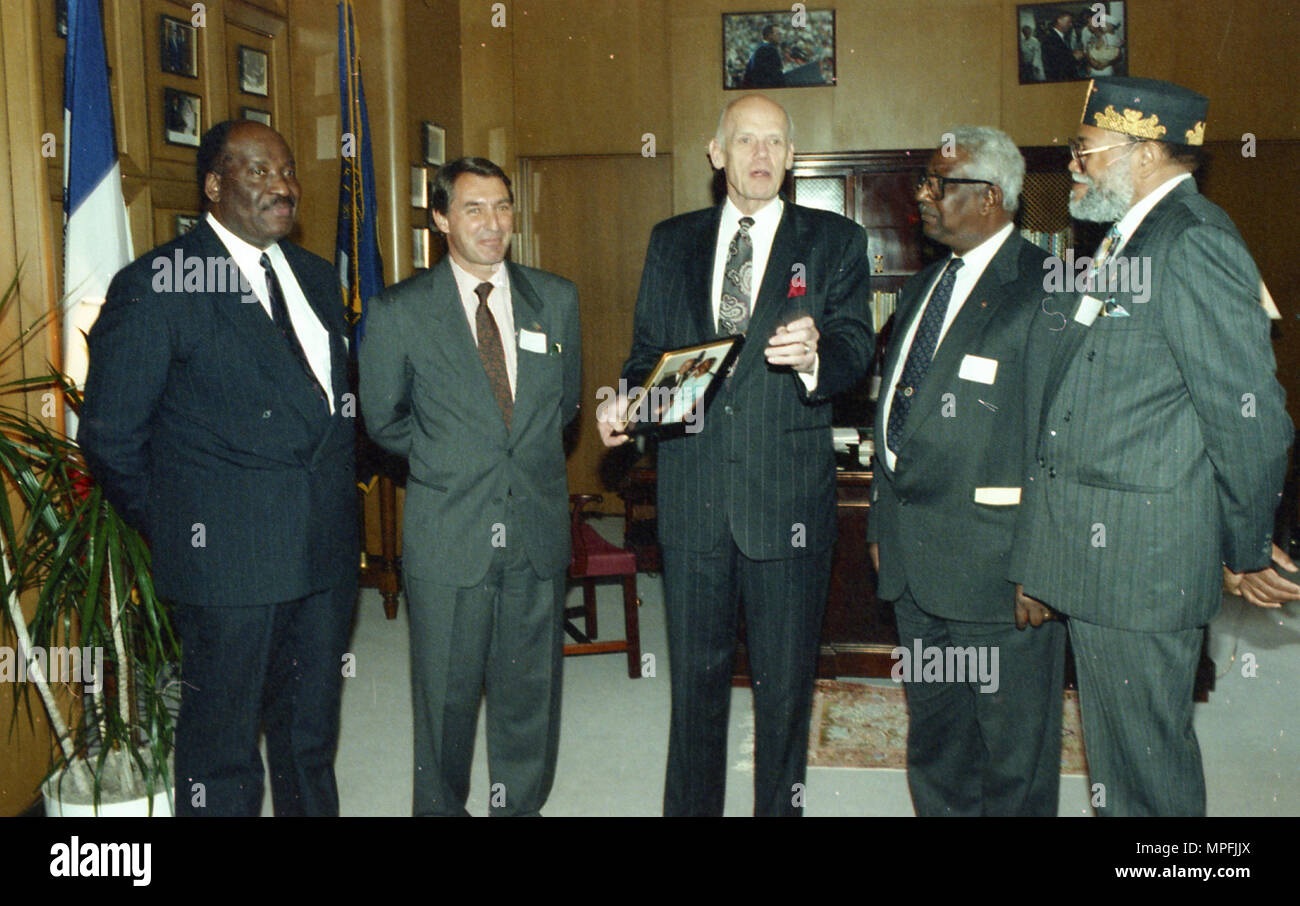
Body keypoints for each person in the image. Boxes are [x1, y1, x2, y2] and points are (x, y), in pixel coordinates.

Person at [1011, 77, 1294, 816]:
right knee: (1121, 766)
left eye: (1083, 150)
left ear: (1140, 152)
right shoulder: (1125, 237)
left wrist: (1247, 546)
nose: (1072, 166)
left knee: (1145, 776)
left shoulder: (1193, 242)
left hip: (1143, 565)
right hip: (1105, 560)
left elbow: (1249, 415)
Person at [598, 94, 872, 816]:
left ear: (791, 157)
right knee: (695, 690)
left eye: (774, 142)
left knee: (785, 693)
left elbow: (854, 348)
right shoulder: (671, 240)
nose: (760, 154)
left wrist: (816, 358)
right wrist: (626, 405)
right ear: (715, 153)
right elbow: (646, 360)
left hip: (786, 505)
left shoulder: (836, 241)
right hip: (692, 502)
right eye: (745, 140)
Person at [79, 120, 358, 816]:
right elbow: (110, 437)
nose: (282, 186)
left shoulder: (318, 278)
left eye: (287, 171)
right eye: (259, 172)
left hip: (322, 554)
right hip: (227, 566)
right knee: (222, 753)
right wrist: (188, 527)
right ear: (213, 185)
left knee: (309, 740)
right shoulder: (159, 282)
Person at [359, 157, 581, 817]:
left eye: (503, 207)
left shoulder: (556, 298)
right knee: (445, 705)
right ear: (439, 218)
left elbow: (564, 408)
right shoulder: (399, 310)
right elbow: (381, 418)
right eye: (473, 209)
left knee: (528, 696)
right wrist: (450, 459)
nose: (493, 224)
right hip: (450, 533)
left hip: (535, 531)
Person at [867, 127, 1065, 816]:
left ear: (987, 197)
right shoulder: (925, 286)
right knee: (939, 749)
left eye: (936, 184)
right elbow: (894, 418)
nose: (921, 197)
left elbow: (1059, 443)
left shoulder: (1046, 287)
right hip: (916, 574)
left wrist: (1044, 565)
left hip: (1000, 576)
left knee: (1016, 760)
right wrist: (882, 522)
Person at [1040, 12, 1081, 81]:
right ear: (1059, 20)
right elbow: (1056, 63)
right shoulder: (1050, 39)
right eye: (1068, 22)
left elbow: (1062, 54)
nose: (1070, 25)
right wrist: (1074, 57)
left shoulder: (1061, 37)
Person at [742, 24, 785, 88]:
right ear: (770, 35)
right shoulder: (768, 49)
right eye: (778, 34)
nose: (780, 37)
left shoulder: (759, 48)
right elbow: (774, 74)